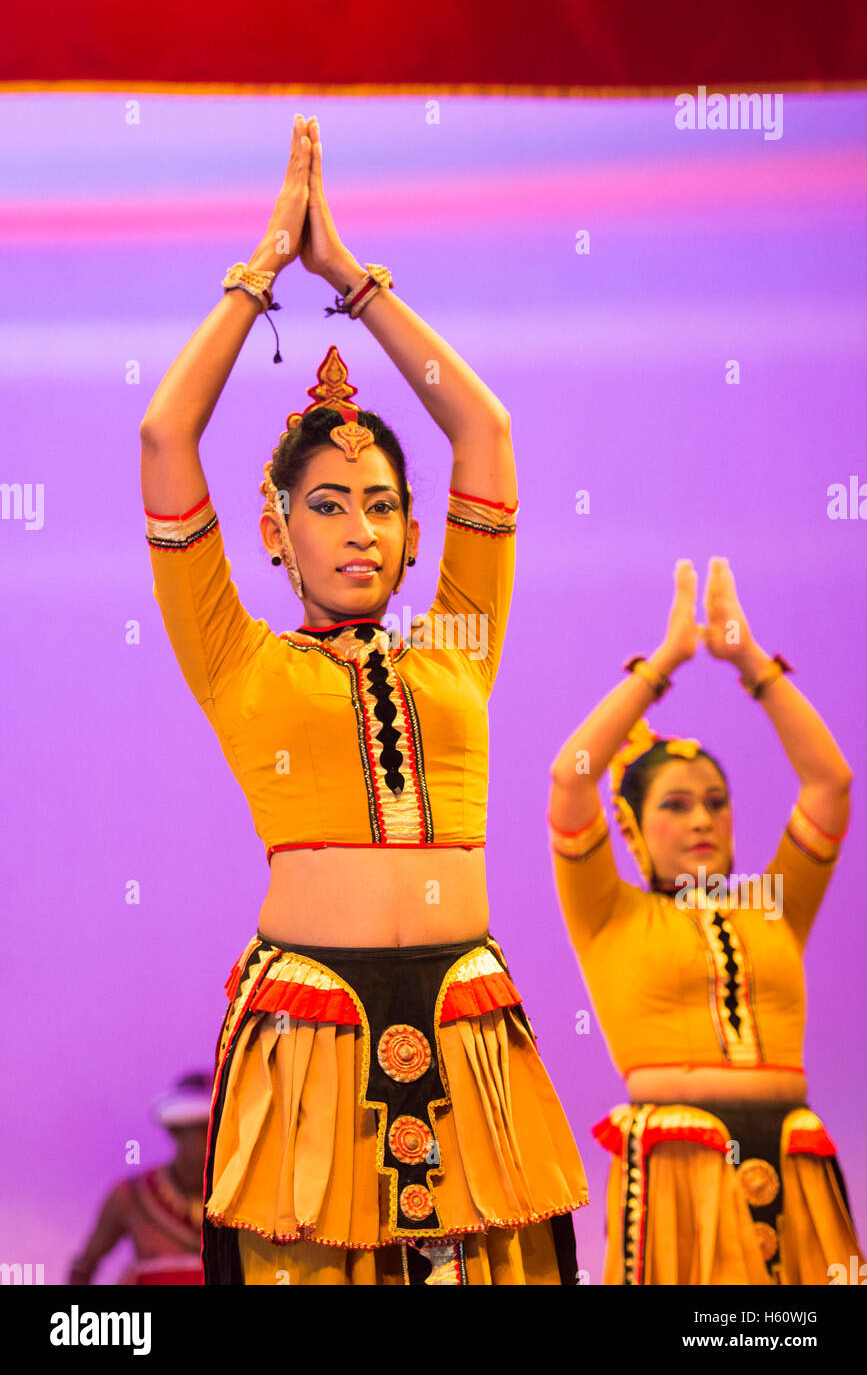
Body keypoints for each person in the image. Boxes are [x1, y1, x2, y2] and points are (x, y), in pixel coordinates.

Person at [140, 114, 588, 1285]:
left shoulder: (456, 645)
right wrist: (261, 276)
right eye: (329, 503)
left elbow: (481, 426)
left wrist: (350, 279)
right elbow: (163, 430)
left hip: (469, 1024)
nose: (361, 527)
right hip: (311, 1032)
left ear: (412, 532)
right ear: (274, 532)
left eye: (383, 503)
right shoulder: (239, 657)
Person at [547, 556, 863, 1284]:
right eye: (675, 804)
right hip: (680, 1174)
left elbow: (831, 782)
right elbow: (572, 775)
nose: (701, 820)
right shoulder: (608, 914)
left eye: (715, 802)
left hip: (796, 1164)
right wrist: (663, 664)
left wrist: (748, 660)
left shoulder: (772, 908)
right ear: (629, 828)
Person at [68, 1072, 210, 1285]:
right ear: (175, 1131)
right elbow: (85, 1266)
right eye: (202, 1129)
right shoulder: (132, 1195)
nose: (213, 1140)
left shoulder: (247, 1200)